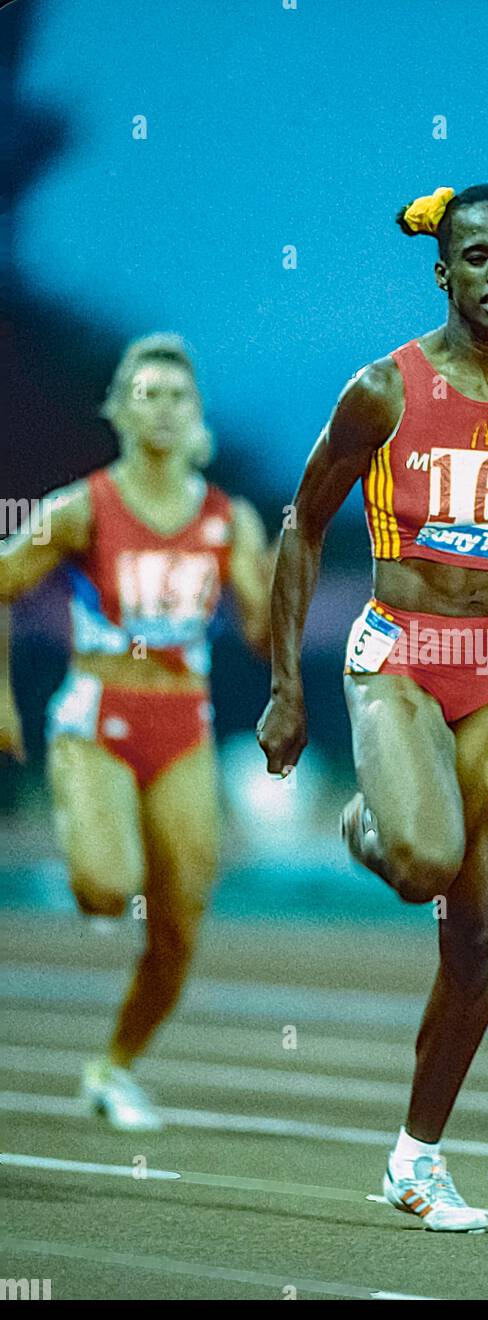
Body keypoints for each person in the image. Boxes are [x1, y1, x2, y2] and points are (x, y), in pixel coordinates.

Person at [257, 184, 488, 1232]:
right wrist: (288, 687)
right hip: (399, 658)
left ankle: (415, 1160)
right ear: (443, 271)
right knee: (423, 860)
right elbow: (300, 527)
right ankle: (364, 822)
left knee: (475, 936)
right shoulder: (384, 390)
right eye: (475, 258)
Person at [0, 333, 271, 1129]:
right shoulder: (84, 507)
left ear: (197, 415)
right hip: (98, 716)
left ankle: (113, 1066)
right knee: (108, 890)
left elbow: (263, 629)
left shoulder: (228, 519)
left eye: (177, 396)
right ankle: (79, 818)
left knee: (182, 920)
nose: (162, 409)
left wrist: (290, 576)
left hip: (184, 720)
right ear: (120, 409)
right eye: (146, 394)